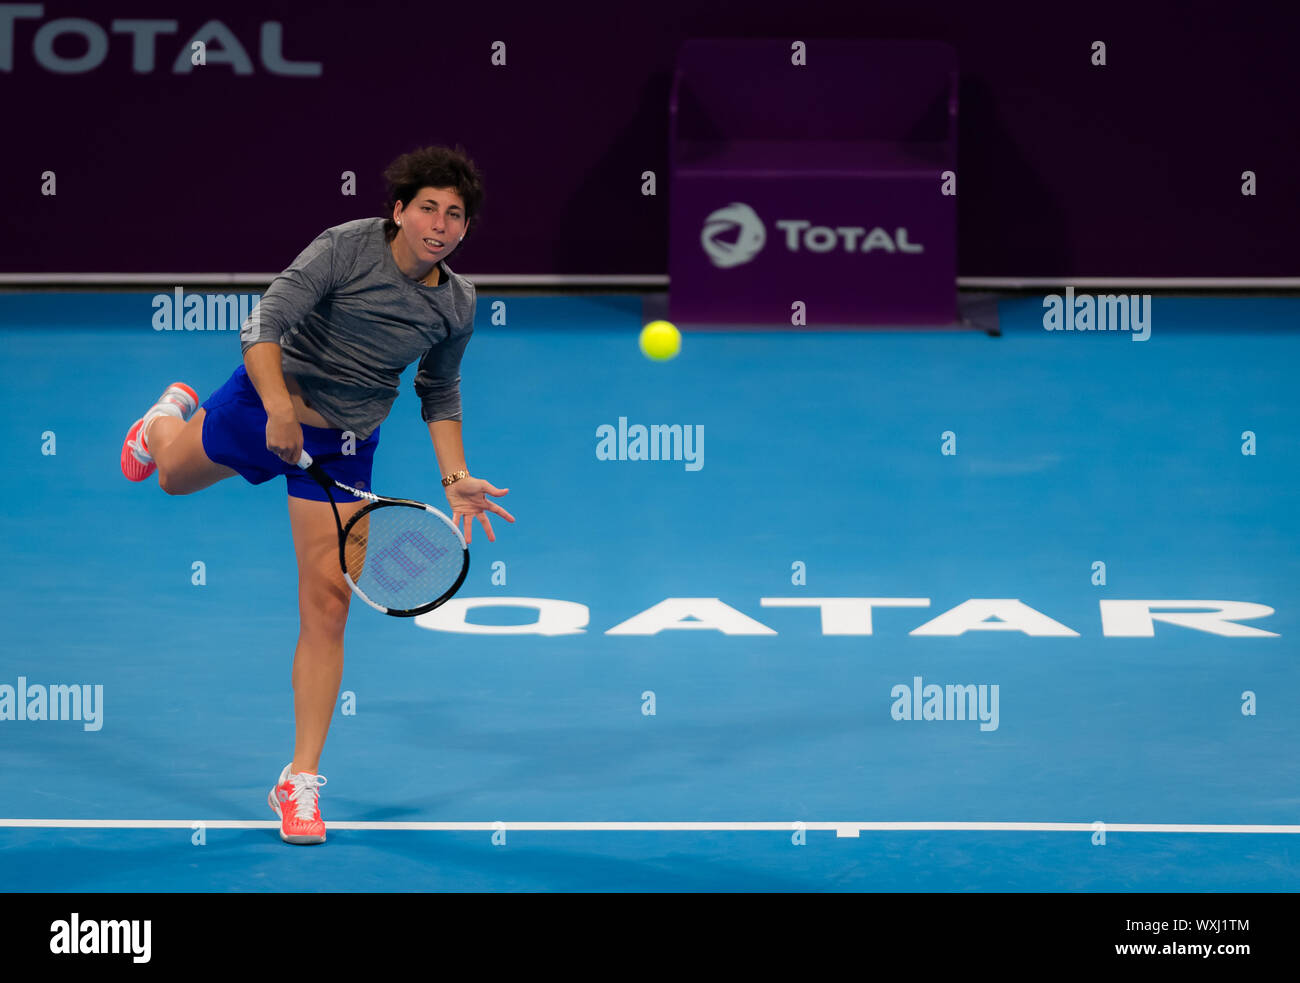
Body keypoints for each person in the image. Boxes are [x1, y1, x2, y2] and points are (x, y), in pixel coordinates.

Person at [118, 145, 514, 845]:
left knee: (328, 604)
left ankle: (297, 782)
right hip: (262, 406)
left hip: (342, 448)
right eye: (428, 207)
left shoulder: (457, 303)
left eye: (456, 216)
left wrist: (455, 477)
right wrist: (276, 406)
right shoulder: (345, 248)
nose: (441, 224)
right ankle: (161, 420)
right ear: (399, 210)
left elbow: (438, 389)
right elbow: (263, 326)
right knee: (173, 477)